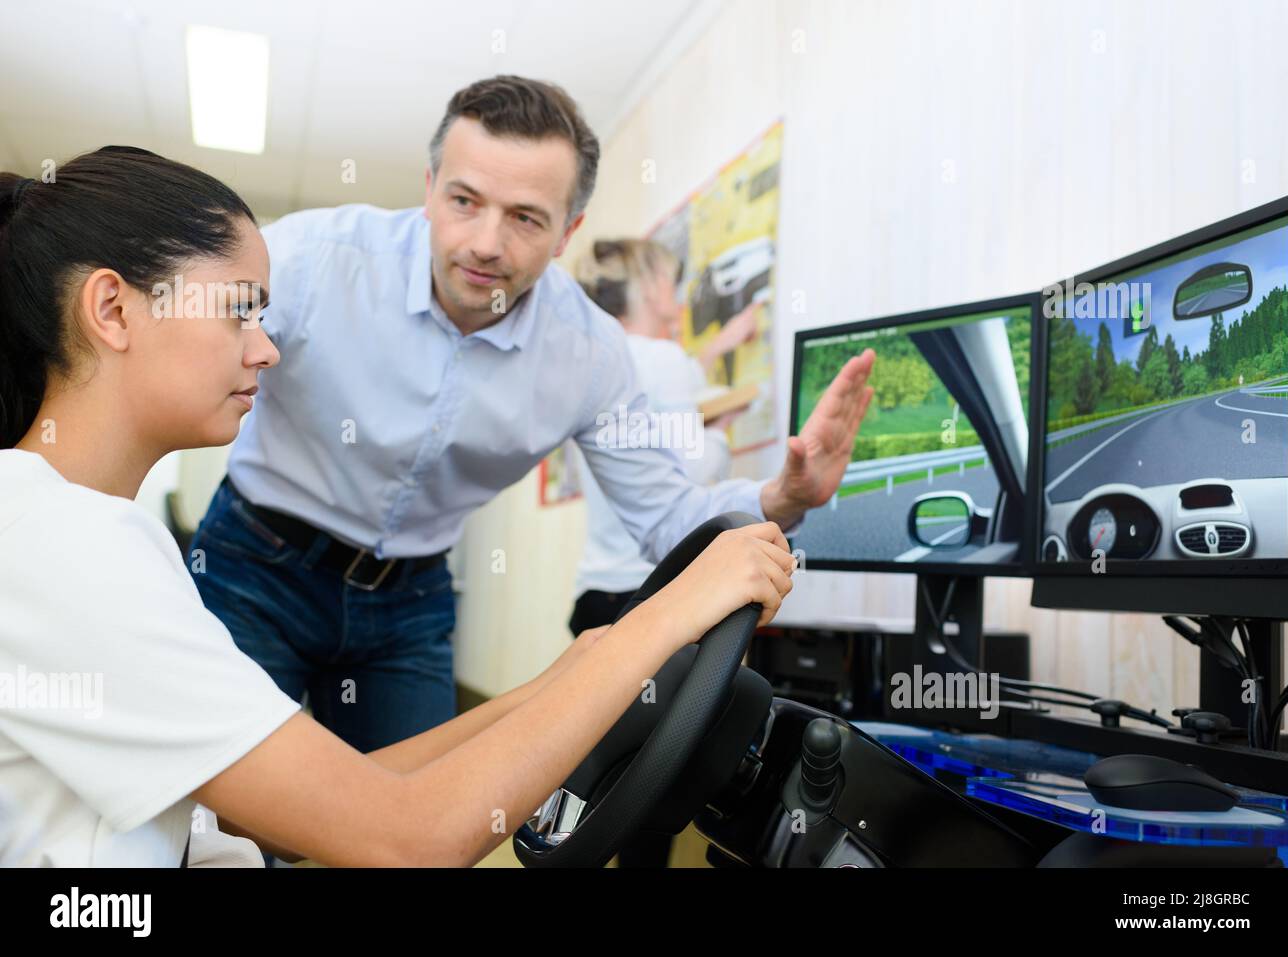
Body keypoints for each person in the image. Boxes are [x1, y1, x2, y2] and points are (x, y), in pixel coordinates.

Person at [0, 147, 797, 867]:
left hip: (405, 587)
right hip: (268, 553)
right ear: (111, 310)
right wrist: (663, 620)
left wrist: (576, 670)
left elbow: (273, 818)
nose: (266, 346)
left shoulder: (83, 532)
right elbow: (407, 836)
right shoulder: (63, 545)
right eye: (239, 308)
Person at [191, 74, 876, 755]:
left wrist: (780, 498)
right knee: (222, 824)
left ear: (568, 231)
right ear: (429, 188)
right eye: (465, 200)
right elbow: (172, 366)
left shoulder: (589, 354)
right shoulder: (310, 259)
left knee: (417, 826)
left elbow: (664, 516)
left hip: (408, 600)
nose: (487, 242)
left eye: (525, 217)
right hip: (254, 562)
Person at [567, 237, 757, 868]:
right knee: (650, 793)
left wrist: (714, 353)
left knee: (605, 779)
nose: (677, 297)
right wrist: (721, 434)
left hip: (596, 595)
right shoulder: (666, 360)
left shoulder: (596, 359)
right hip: (653, 598)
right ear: (650, 290)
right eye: (671, 284)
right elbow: (690, 476)